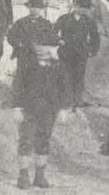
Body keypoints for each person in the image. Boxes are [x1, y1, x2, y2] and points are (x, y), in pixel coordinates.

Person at [12, 43, 69, 189]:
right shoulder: (26, 65)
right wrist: (17, 107)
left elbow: (64, 88)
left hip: (49, 110)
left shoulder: (59, 67)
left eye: (47, 46)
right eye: (38, 46)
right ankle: (23, 175)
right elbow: (17, 86)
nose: (42, 50)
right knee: (26, 140)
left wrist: (63, 109)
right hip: (30, 110)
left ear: (53, 48)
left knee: (43, 140)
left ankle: (40, 175)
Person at [6, 0, 57, 93]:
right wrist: (19, 44)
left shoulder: (46, 24)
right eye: (32, 6)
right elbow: (11, 36)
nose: (34, 9)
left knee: (39, 78)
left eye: (37, 7)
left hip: (40, 56)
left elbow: (53, 38)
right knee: (22, 78)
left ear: (41, 9)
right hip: (24, 55)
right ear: (29, 7)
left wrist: (44, 46)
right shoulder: (20, 23)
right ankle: (20, 101)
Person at [56, 0, 99, 110]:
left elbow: (96, 39)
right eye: (81, 6)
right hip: (65, 53)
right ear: (76, 5)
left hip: (81, 54)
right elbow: (52, 32)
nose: (83, 9)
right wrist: (59, 40)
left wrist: (91, 51)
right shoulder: (64, 19)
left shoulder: (89, 22)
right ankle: (65, 103)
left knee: (78, 78)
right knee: (65, 77)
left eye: (86, 7)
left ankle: (76, 103)